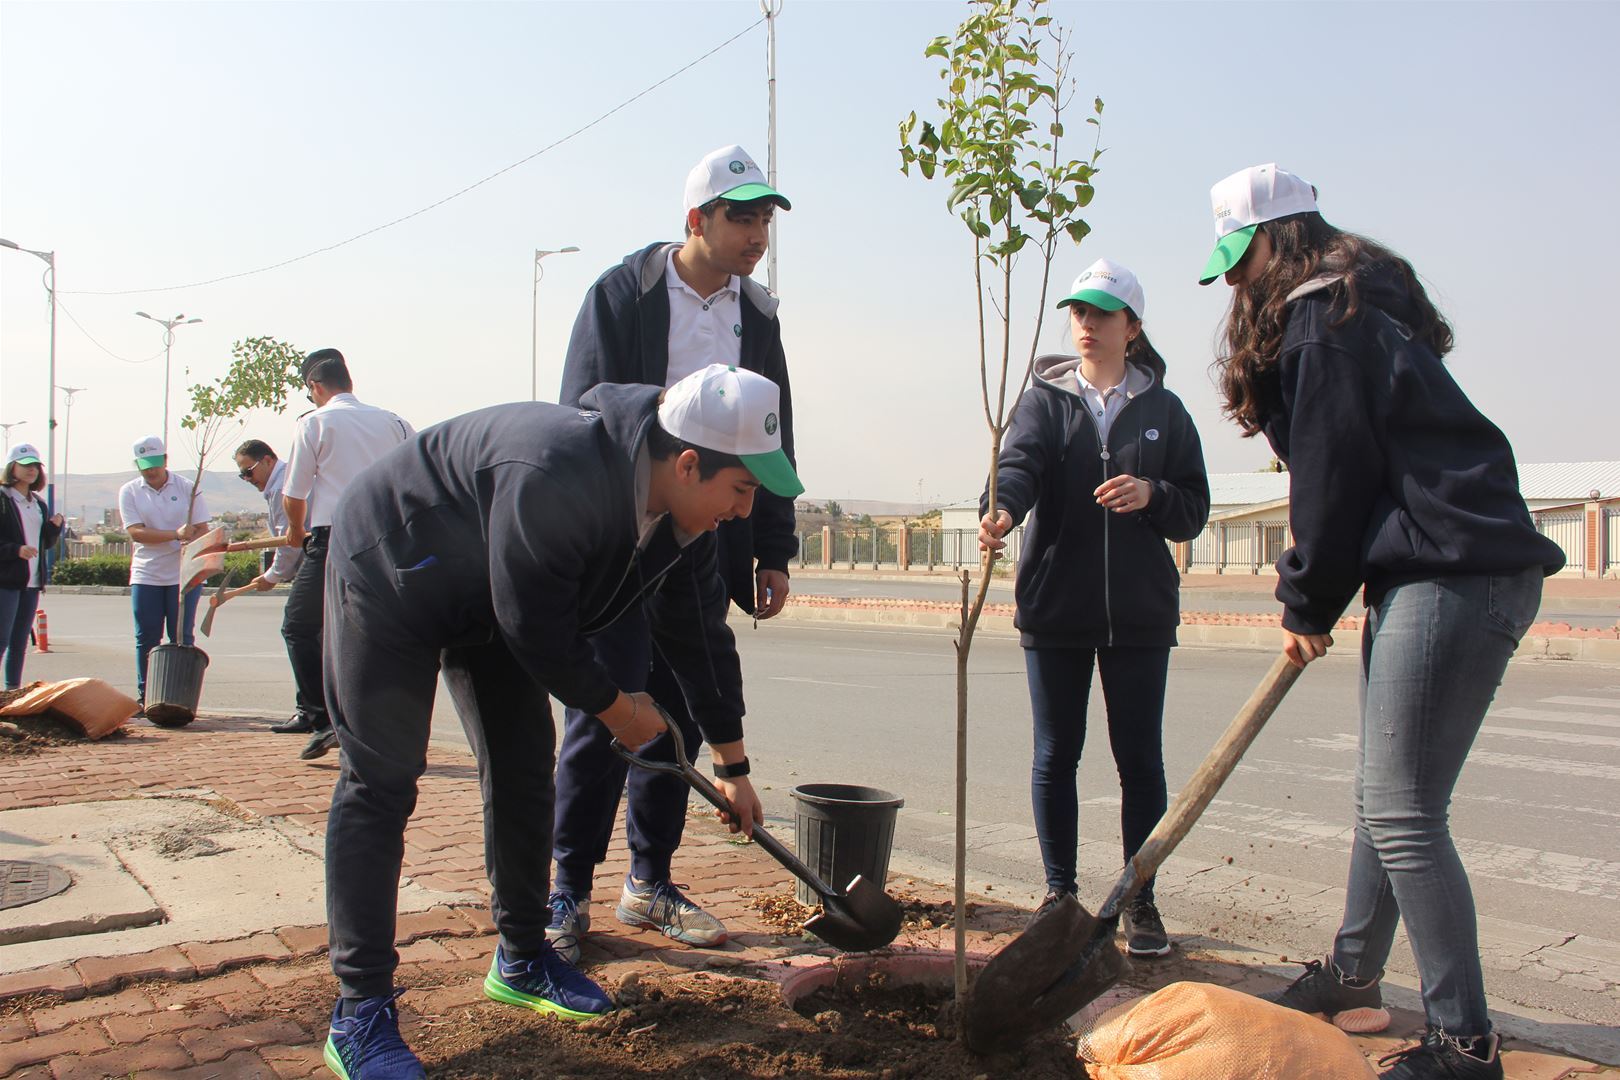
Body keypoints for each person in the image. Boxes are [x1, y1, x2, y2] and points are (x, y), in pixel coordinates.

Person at [317, 363, 801, 1079]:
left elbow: (701, 642)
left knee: (522, 770)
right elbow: (536, 625)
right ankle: (360, 1013)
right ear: (688, 464)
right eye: (742, 489)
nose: (744, 511)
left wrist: (734, 767)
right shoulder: (557, 468)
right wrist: (618, 708)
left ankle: (521, 956)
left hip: (492, 595)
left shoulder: (685, 526)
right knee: (382, 781)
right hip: (394, 566)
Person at [1198, 164, 1564, 1080]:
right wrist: (1322, 591)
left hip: (1454, 570)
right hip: (1447, 564)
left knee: (1403, 811)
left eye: (1241, 257)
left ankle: (1463, 1045)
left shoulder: (1324, 321)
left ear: (1279, 238)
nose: (1235, 279)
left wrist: (1306, 600)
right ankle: (1354, 974)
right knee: (1386, 797)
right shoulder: (1361, 303)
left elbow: (1334, 475)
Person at [548, 144, 798, 960]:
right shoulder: (623, 294)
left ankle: (648, 881)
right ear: (696, 218)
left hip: (704, 531)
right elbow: (581, 408)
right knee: (608, 710)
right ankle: (566, 888)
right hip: (623, 531)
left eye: (765, 220)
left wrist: (772, 546)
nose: (757, 234)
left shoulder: (757, 314)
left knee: (679, 710)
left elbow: (773, 432)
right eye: (742, 217)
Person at [979, 258, 1210, 959]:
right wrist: (1002, 510)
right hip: (1056, 606)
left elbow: (1193, 508)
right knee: (1057, 754)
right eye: (1079, 312)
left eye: (1102, 314)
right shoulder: (1043, 402)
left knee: (1140, 760)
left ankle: (1139, 897)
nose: (1086, 324)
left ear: (1132, 327)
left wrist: (1153, 495)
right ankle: (1059, 897)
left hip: (1139, 614)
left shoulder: (1165, 412)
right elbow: (1017, 468)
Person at [280, 349, 413, 761]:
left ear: (315, 387)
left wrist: (296, 531)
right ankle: (381, 725)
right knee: (378, 632)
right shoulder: (395, 422)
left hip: (336, 539)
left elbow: (294, 494)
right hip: (388, 538)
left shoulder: (315, 423)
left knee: (300, 626)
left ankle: (322, 718)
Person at [117, 436, 210, 710]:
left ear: (165, 460)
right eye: (145, 466)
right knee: (147, 636)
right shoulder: (130, 491)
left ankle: (180, 696)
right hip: (148, 572)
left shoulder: (187, 488)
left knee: (181, 636)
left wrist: (191, 541)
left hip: (183, 572)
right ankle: (147, 695)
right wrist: (174, 535)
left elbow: (202, 528)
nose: (151, 471)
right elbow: (136, 532)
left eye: (155, 464)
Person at [231, 438, 310, 734]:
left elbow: (290, 541)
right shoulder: (284, 481)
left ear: (267, 460)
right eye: (242, 475)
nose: (247, 479)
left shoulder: (281, 487)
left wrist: (272, 576)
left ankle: (312, 711)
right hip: (317, 556)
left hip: (316, 556)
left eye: (248, 471)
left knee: (298, 629)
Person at [1, 443, 64, 689]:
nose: (32, 470)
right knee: (1, 640)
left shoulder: (38, 504)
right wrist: (15, 550)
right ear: (12, 467)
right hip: (6, 581)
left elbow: (43, 543)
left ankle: (11, 692)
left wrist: (54, 529)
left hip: (32, 583)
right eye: (25, 465)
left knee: (19, 643)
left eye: (36, 465)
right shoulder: (3, 499)